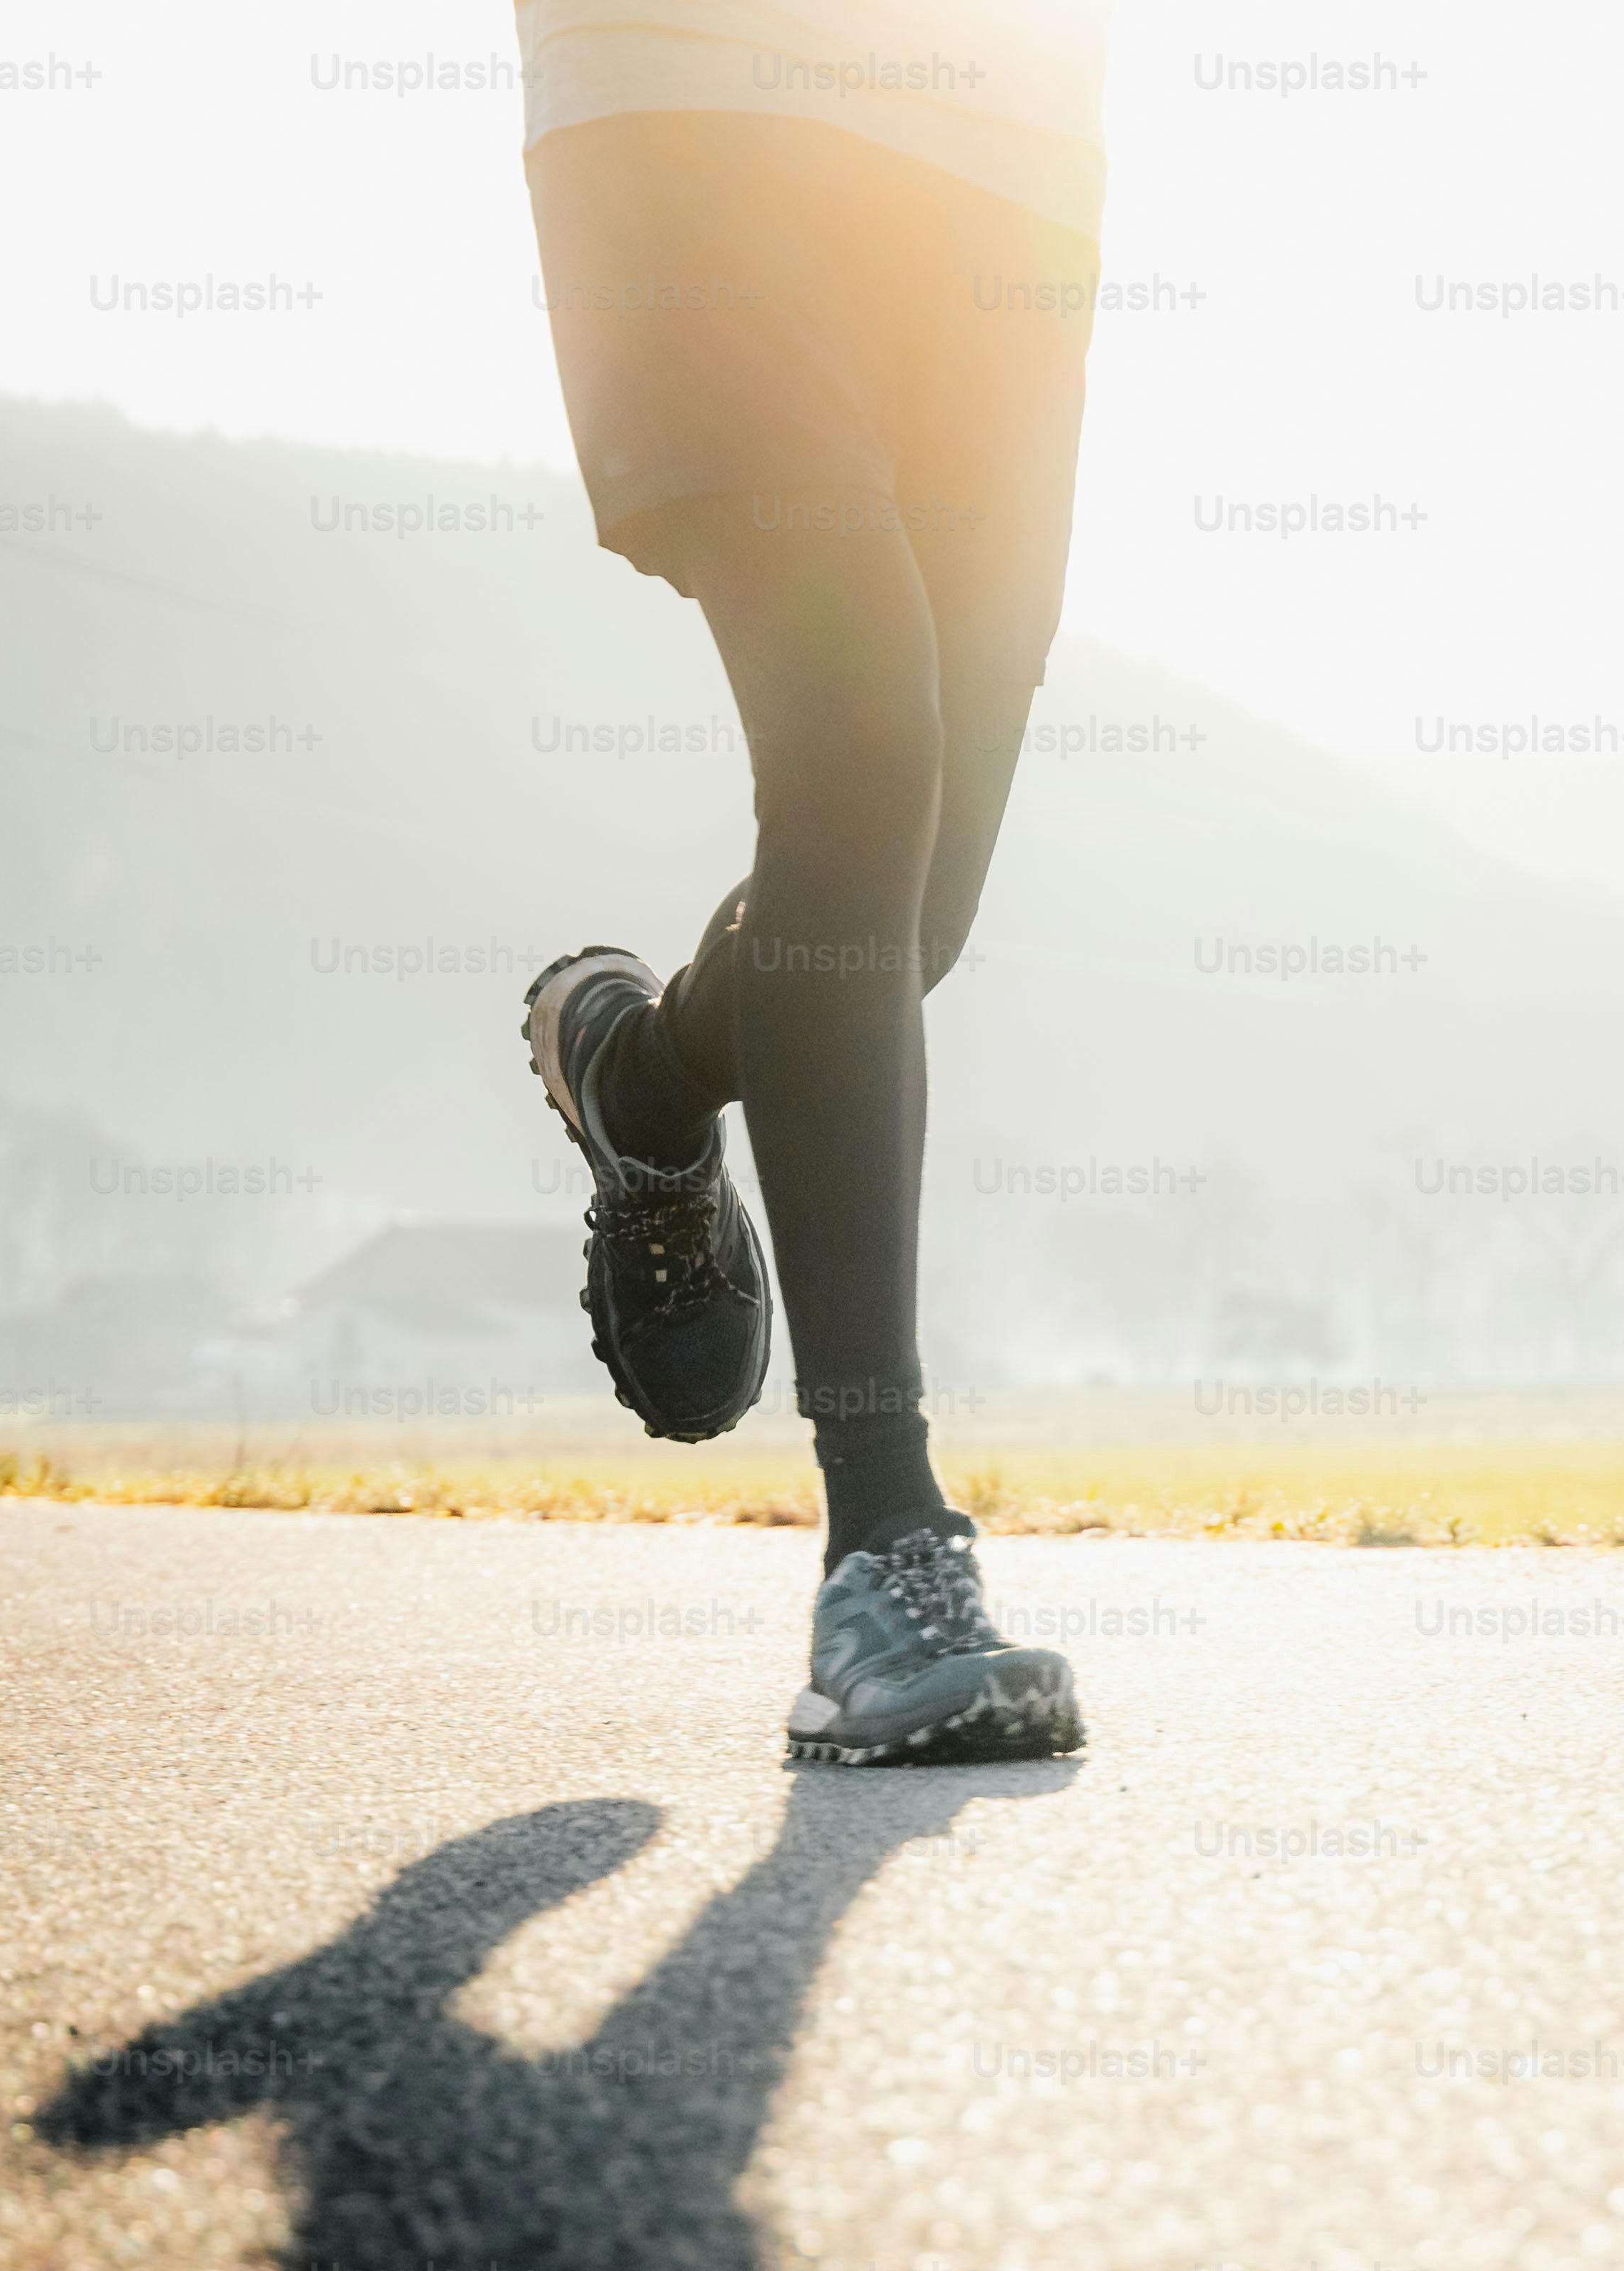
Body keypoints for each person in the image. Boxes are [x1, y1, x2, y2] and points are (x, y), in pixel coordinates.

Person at [511, 0, 1106, 1763]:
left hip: (1007, 158)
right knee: (857, 761)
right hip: (697, 115)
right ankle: (886, 1547)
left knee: (912, 907)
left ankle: (646, 1073)